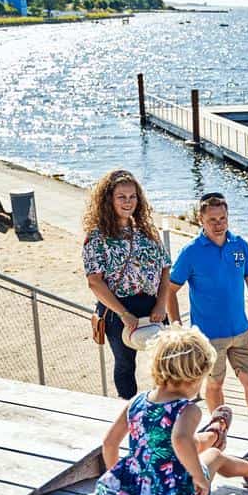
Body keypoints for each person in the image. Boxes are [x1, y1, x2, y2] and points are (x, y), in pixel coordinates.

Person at [90, 325, 248, 495]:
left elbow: (109, 443)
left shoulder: (136, 401)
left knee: (167, 444)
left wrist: (121, 484)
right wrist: (199, 477)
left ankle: (213, 435)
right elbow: (180, 440)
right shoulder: (186, 410)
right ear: (196, 377)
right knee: (214, 456)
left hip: (136, 494)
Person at [167, 193, 248, 426]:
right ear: (200, 220)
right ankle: (219, 431)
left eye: (223, 218)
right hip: (209, 337)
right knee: (215, 384)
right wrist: (177, 328)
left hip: (241, 332)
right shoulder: (191, 252)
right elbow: (169, 290)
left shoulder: (240, 246)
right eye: (212, 220)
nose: (219, 225)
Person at [83, 169, 178, 399]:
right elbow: (94, 282)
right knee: (125, 366)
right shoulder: (97, 237)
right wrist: (123, 313)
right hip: (118, 310)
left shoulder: (146, 229)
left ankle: (165, 407)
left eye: (132, 196)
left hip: (151, 304)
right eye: (121, 197)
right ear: (108, 200)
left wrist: (161, 304)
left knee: (166, 361)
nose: (128, 202)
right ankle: (128, 412)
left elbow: (165, 267)